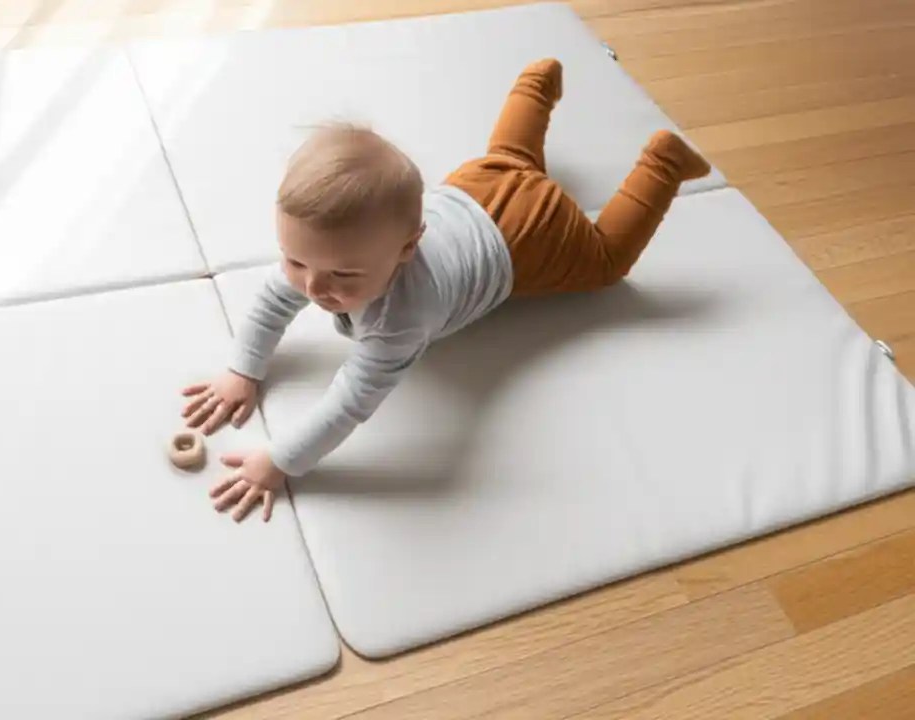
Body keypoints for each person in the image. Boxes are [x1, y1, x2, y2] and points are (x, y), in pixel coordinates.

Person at [181, 58, 712, 522]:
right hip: (471, 190)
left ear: (408, 249)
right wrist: (242, 369)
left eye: (345, 277)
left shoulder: (400, 320)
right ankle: (535, 84)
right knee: (510, 160)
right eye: (295, 260)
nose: (313, 286)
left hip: (527, 239)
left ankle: (662, 165)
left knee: (605, 260)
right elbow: (274, 300)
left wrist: (278, 462)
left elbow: (346, 405)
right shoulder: (329, 253)